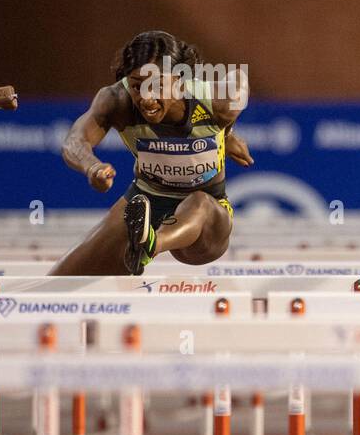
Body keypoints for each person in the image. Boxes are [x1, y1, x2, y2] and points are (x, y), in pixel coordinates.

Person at [49, 31, 252, 275]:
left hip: (206, 219)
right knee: (61, 278)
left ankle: (149, 245)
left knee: (198, 204)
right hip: (145, 203)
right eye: (137, 86)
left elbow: (240, 78)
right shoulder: (115, 100)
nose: (146, 99)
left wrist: (227, 134)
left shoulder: (218, 100)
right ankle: (143, 239)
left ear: (179, 80)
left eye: (156, 85)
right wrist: (92, 167)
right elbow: (74, 141)